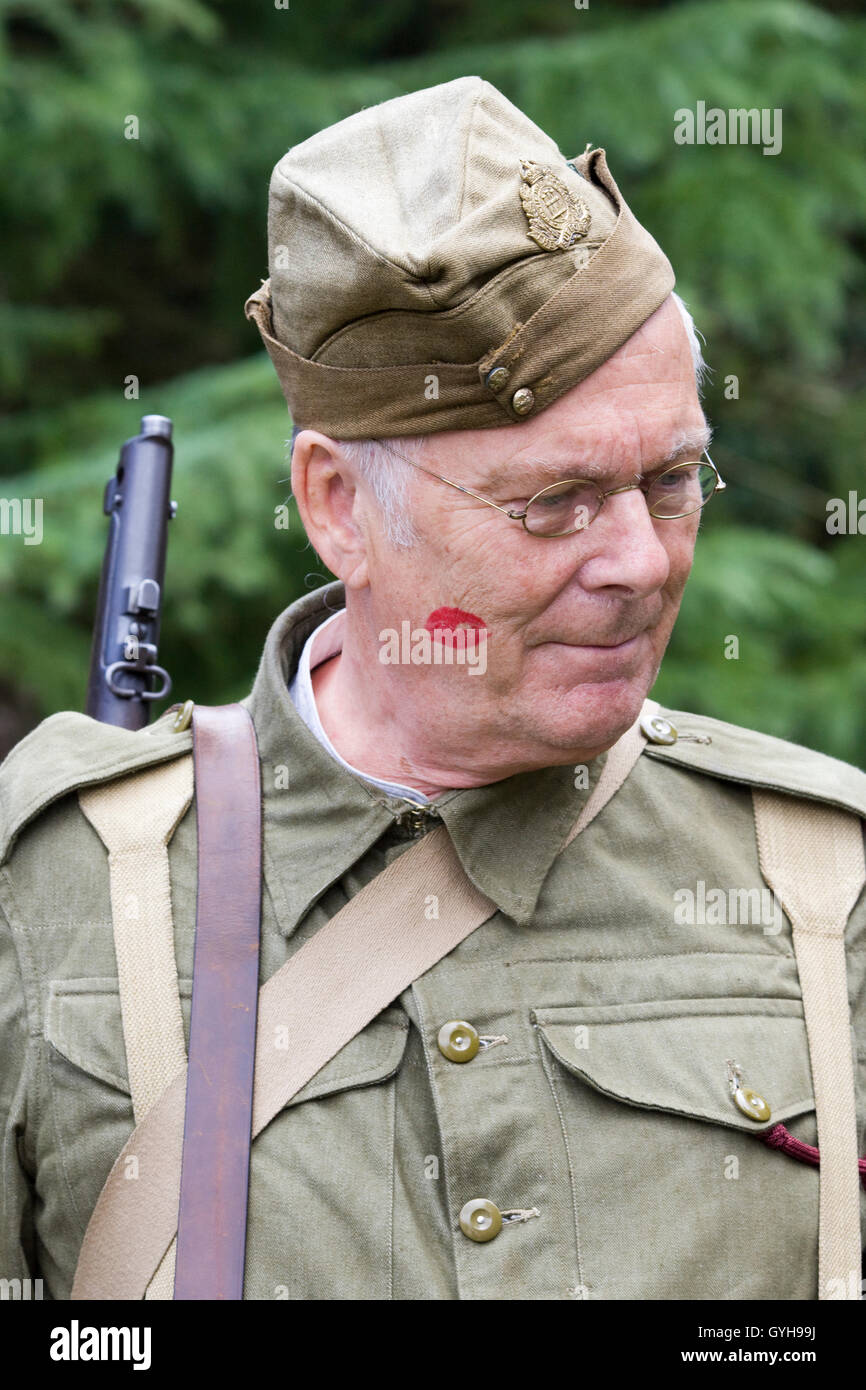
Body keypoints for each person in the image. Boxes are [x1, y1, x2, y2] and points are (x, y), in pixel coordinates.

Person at [1, 76, 864, 1302]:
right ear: (337, 506)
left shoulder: (823, 883)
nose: (636, 562)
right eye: (551, 502)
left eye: (671, 481)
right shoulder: (55, 888)